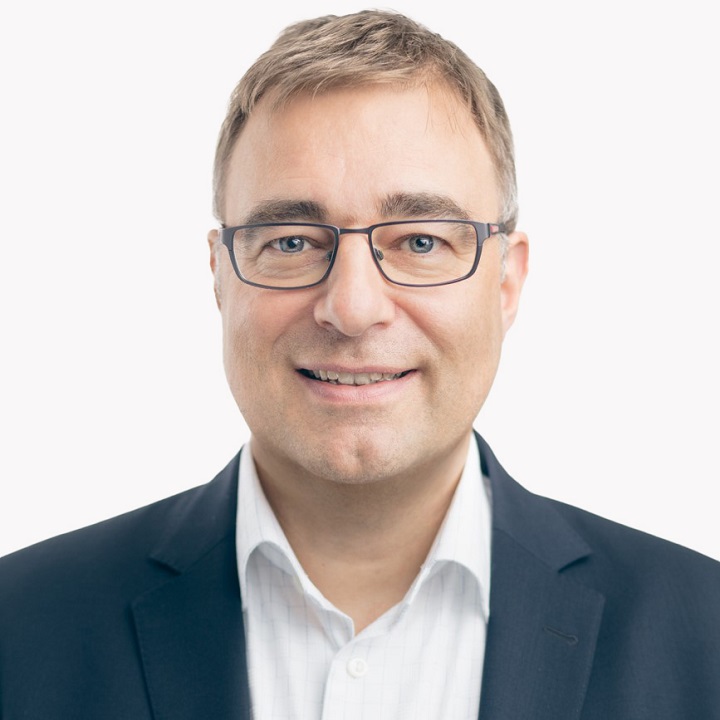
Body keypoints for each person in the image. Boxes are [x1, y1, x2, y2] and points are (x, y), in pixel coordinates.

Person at [1, 9, 719, 719]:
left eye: (420, 241)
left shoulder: (703, 635)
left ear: (506, 282)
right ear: (220, 277)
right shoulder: (21, 627)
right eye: (290, 242)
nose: (351, 307)